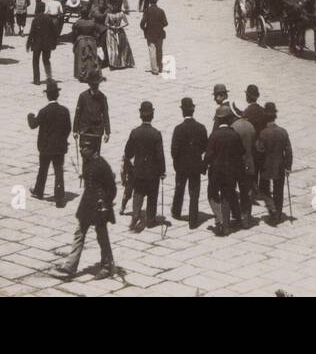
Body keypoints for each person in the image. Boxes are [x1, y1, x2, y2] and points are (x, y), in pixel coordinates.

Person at [53, 141, 116, 280]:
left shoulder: (102, 165)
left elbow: (112, 189)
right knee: (79, 233)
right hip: (87, 203)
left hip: (100, 206)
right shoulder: (87, 161)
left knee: (102, 236)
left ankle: (107, 266)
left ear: (93, 149)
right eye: (81, 147)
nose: (81, 149)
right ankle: (70, 266)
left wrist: (105, 201)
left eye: (85, 147)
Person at [122, 101, 165, 232]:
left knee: (138, 193)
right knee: (152, 194)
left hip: (139, 169)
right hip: (153, 171)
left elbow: (128, 152)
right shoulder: (156, 133)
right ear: (152, 115)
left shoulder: (135, 132)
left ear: (140, 115)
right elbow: (160, 155)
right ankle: (151, 219)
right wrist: (162, 171)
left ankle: (135, 215)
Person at [28, 80, 71, 206]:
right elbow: (68, 128)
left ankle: (38, 191)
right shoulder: (64, 111)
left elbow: (33, 125)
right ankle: (59, 195)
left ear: (47, 95)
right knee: (59, 170)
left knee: (43, 169)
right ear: (58, 95)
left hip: (46, 147)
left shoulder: (43, 111)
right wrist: (64, 139)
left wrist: (30, 115)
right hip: (59, 147)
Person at [204, 105, 244, 236]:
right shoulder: (235, 135)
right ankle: (228, 225)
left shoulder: (214, 136)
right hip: (231, 172)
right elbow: (241, 153)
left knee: (211, 194)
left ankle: (220, 219)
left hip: (216, 172)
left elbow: (208, 155)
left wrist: (204, 167)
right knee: (227, 197)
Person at [170, 97, 207, 227]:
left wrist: (177, 162)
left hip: (181, 165)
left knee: (179, 189)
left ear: (183, 111)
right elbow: (204, 147)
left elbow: (174, 150)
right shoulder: (201, 128)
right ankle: (193, 219)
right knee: (194, 192)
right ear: (193, 110)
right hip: (195, 164)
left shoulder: (178, 129)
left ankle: (176, 211)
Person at [254, 103, 292, 225]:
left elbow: (260, 150)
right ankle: (278, 214)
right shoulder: (283, 132)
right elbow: (289, 151)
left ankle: (273, 209)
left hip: (266, 166)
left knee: (264, 190)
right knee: (278, 191)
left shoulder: (263, 133)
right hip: (280, 166)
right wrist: (288, 167)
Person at [28, 0, 63, 84]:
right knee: (46, 60)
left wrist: (28, 44)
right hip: (47, 44)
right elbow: (55, 32)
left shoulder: (35, 19)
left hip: (37, 44)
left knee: (35, 61)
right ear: (44, 9)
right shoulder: (48, 19)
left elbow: (32, 33)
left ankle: (36, 80)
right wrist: (54, 42)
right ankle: (49, 77)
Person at [232, 107, 257, 228]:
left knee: (233, 190)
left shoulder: (234, 126)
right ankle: (246, 218)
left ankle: (237, 216)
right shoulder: (251, 126)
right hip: (249, 163)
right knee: (246, 192)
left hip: (236, 164)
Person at [73, 74, 110, 149]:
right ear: (89, 85)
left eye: (96, 85)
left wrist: (107, 132)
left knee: (95, 155)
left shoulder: (102, 97)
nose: (95, 87)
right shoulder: (83, 96)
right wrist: (75, 130)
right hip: (85, 130)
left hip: (97, 131)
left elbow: (105, 115)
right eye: (93, 85)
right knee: (84, 153)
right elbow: (78, 113)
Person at [140, 0, 168, 75]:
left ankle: (154, 69)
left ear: (149, 1)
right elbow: (165, 23)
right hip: (159, 33)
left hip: (150, 33)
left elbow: (142, 23)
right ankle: (160, 67)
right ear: (157, 0)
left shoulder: (146, 11)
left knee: (152, 50)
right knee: (159, 50)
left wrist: (145, 29)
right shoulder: (161, 11)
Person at [104, 0, 135, 70]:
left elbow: (106, 23)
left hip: (113, 31)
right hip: (117, 31)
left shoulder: (114, 14)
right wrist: (117, 27)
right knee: (116, 47)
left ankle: (117, 63)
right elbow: (106, 23)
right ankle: (120, 62)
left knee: (118, 47)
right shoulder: (118, 14)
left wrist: (114, 27)